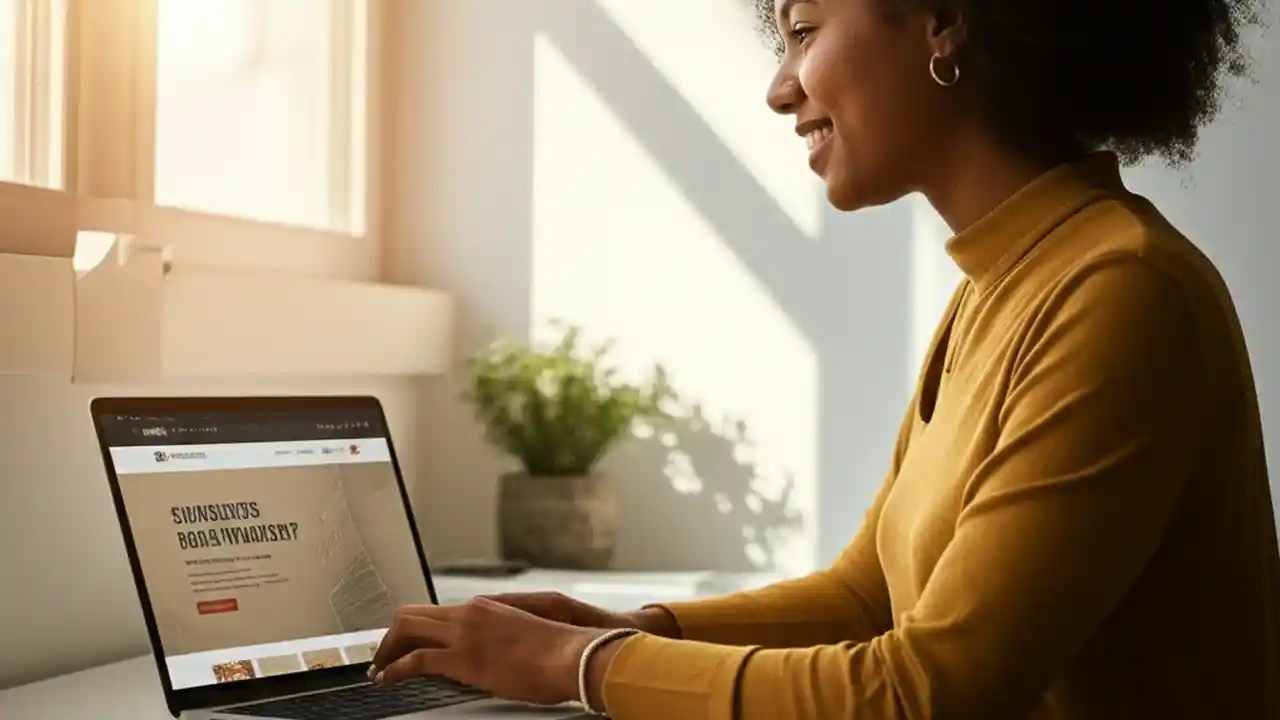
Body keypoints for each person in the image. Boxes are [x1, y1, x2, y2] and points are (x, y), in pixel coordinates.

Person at [369, 0, 1280, 717]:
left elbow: (925, 694)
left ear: (944, 21)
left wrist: (579, 666)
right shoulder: (999, 285)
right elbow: (869, 595)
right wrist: (635, 627)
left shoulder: (1118, 292)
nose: (779, 87)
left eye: (802, 31)